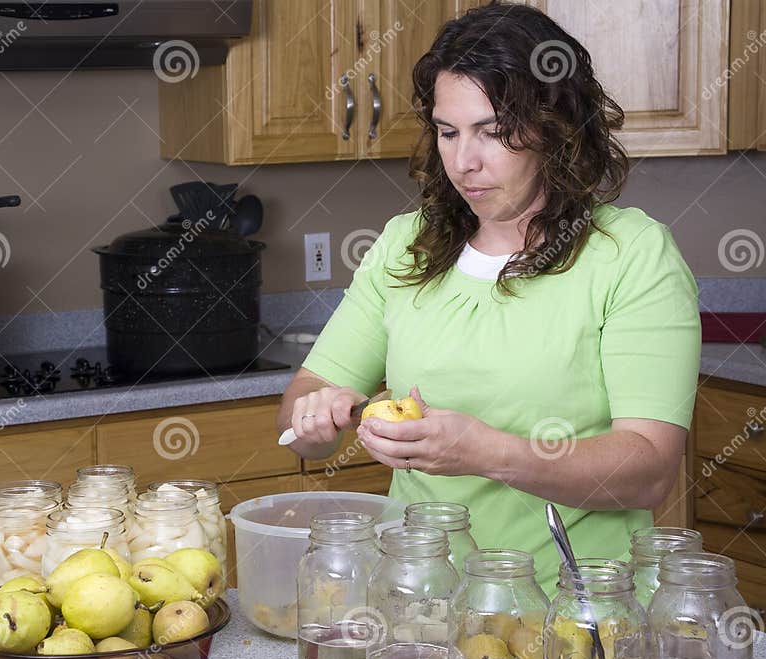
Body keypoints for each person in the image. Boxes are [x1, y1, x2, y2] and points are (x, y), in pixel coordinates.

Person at [276, 1, 700, 597]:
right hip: (420, 603)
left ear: (556, 129)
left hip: (577, 607)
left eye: (493, 132)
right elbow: (300, 403)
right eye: (448, 132)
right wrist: (318, 418)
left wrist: (487, 452)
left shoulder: (632, 254)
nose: (463, 162)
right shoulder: (405, 246)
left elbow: (649, 469)